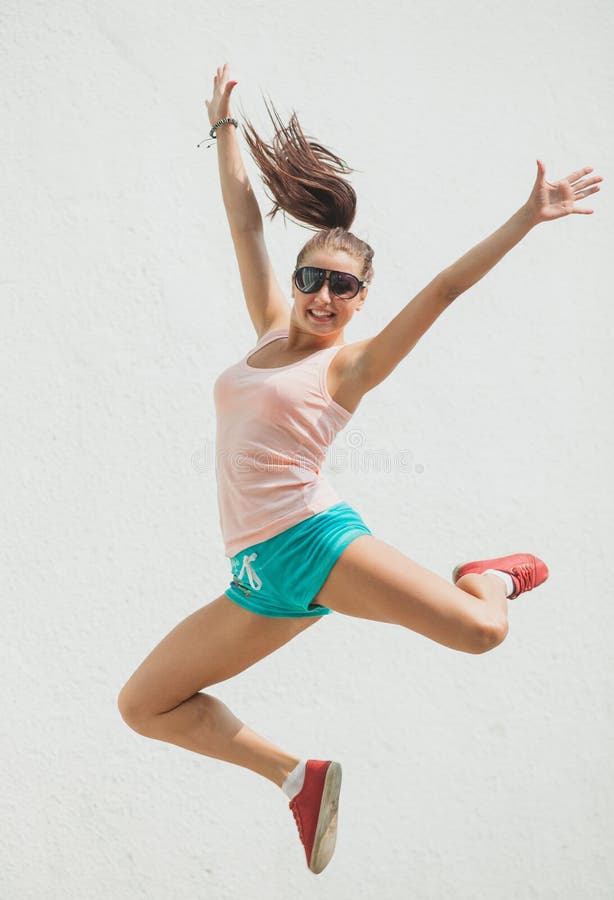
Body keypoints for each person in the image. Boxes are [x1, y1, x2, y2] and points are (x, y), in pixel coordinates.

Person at [117, 63, 603, 875]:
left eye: (340, 287)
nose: (318, 296)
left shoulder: (348, 370)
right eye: (310, 278)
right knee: (145, 705)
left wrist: (527, 217)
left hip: (315, 540)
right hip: (256, 574)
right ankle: (294, 778)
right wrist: (225, 130)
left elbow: (445, 289)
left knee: (483, 631)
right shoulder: (271, 329)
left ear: (361, 297)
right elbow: (243, 226)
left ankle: (485, 574)